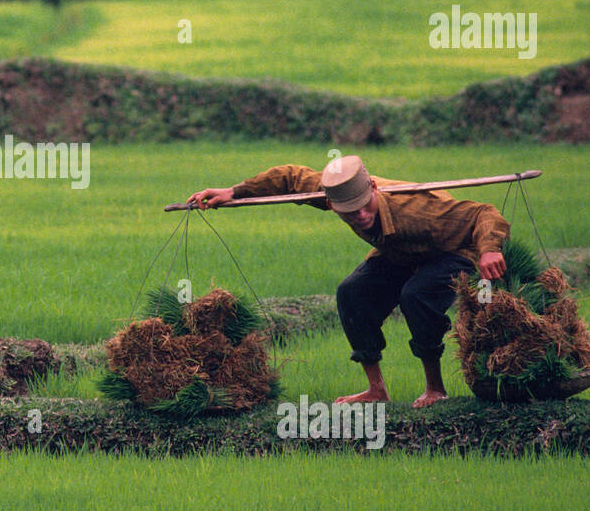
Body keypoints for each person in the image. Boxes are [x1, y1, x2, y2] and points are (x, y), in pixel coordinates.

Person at [188, 156, 508, 408]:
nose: (360, 217)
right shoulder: (333, 191)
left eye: (363, 207)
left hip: (454, 251)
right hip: (400, 252)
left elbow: (484, 213)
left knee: (416, 296)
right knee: (352, 293)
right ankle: (376, 389)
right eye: (348, 214)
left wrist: (489, 250)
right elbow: (290, 177)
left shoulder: (419, 209)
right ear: (330, 203)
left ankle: (435, 389)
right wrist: (233, 192)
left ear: (373, 189)